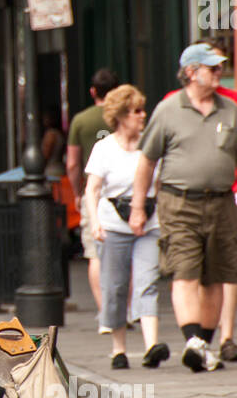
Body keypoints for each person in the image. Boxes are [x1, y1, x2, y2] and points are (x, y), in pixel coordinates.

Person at [131, 43, 237, 372]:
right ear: (191, 72)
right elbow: (147, 161)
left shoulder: (229, 108)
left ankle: (202, 345)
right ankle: (192, 339)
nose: (219, 73)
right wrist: (138, 206)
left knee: (216, 275)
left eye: (221, 67)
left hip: (221, 201)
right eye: (212, 68)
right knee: (186, 270)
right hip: (179, 202)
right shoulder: (169, 109)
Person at [84, 85, 167, 370]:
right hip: (113, 224)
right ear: (120, 116)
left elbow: (159, 185)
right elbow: (92, 189)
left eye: (143, 110)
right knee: (116, 287)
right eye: (136, 111)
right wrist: (94, 222)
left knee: (147, 281)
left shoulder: (151, 145)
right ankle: (118, 350)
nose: (143, 116)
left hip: (149, 222)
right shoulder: (103, 148)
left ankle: (151, 346)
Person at [66, 69, 119, 328]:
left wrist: (77, 192)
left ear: (92, 91)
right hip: (123, 192)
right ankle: (128, 310)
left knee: (95, 254)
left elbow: (73, 163)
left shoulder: (81, 120)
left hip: (94, 191)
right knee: (126, 251)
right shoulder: (123, 118)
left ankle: (105, 313)